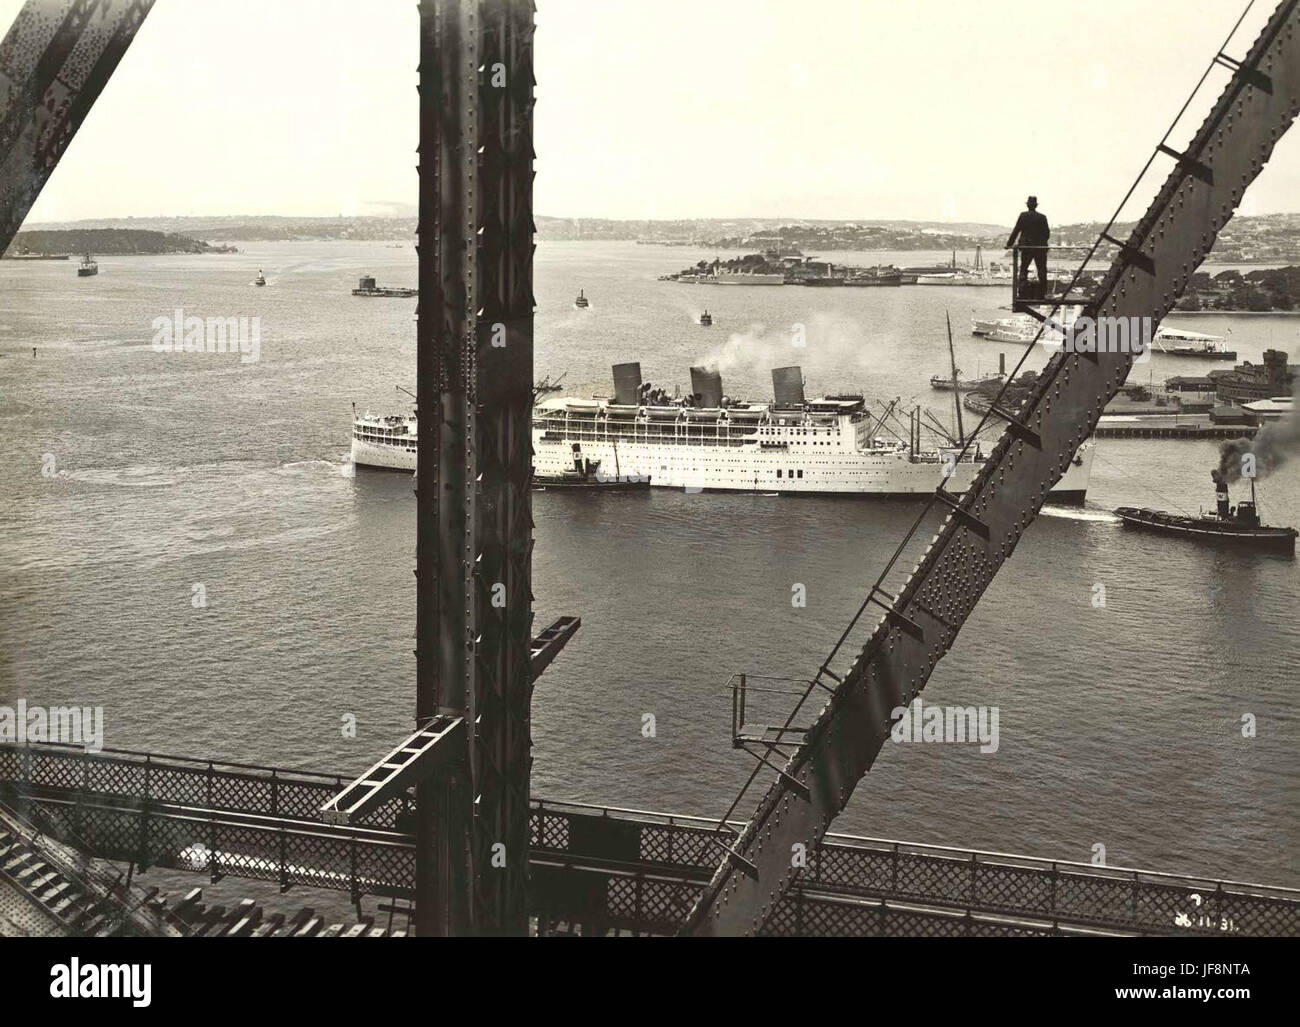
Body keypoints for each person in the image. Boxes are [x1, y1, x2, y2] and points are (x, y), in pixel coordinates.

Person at [1006, 196, 1050, 296]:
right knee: (1042, 270)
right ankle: (1043, 292)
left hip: (1027, 247)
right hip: (1040, 248)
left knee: (1023, 269)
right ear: (1036, 206)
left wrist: (1009, 244)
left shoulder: (1023, 216)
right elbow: (1047, 233)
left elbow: (1016, 230)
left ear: (1028, 205)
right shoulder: (1042, 217)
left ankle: (1021, 291)